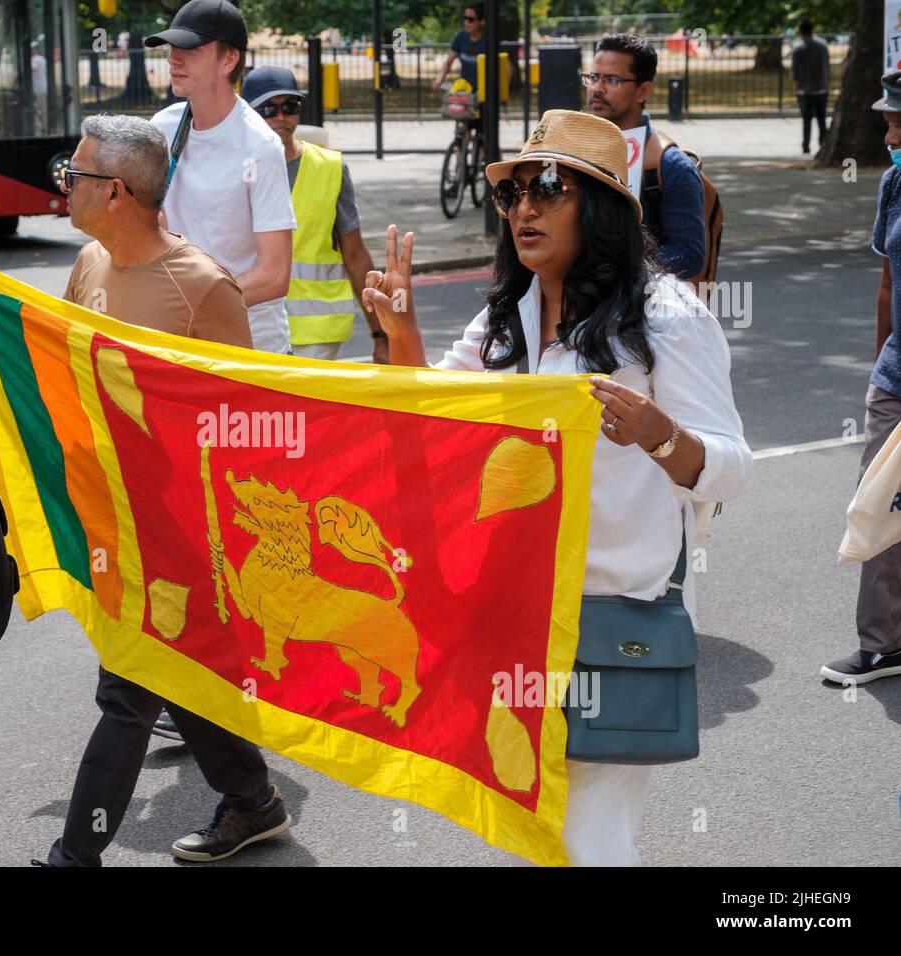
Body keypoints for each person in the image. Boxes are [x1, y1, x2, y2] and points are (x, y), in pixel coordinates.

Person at [362, 109, 752, 865]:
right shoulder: (507, 312)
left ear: (601, 209)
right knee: (534, 823)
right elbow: (436, 421)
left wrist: (659, 435)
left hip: (614, 611)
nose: (525, 210)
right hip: (514, 612)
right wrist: (400, 334)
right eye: (513, 196)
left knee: (590, 837)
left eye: (548, 189)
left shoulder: (665, 315)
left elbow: (733, 466)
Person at [0, 114, 293, 865]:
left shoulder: (201, 288)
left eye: (77, 174)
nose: (65, 184)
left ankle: (74, 858)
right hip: (111, 518)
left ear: (117, 191)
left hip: (180, 532)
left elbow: (245, 427)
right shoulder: (91, 262)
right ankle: (252, 800)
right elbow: (53, 360)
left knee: (126, 692)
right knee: (174, 672)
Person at [145, 0, 296, 354]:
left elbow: (274, 276)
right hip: (182, 349)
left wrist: (191, 307)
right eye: (172, 48)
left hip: (251, 354)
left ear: (229, 60)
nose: (173, 59)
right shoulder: (160, 129)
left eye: (191, 49)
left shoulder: (260, 146)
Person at [820, 72, 901, 686]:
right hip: (896, 381)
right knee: (880, 508)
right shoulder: (894, 183)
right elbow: (886, 284)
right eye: (888, 120)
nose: (890, 133)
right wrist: (881, 372)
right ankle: (884, 643)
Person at [241, 66, 387, 363]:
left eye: (290, 107)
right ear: (248, 112)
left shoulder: (330, 168)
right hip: (251, 326)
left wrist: (381, 334)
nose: (281, 117)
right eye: (269, 108)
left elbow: (356, 255)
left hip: (318, 331)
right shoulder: (234, 167)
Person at [585, 33, 706, 281]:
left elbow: (689, 255)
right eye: (594, 77)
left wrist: (615, 265)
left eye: (612, 80)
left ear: (643, 91)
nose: (597, 88)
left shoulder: (670, 166)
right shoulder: (575, 152)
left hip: (642, 313)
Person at [791, 19, 830, 155]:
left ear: (800, 31)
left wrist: (796, 85)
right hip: (821, 88)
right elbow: (826, 66)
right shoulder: (822, 45)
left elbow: (795, 71)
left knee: (806, 120)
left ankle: (805, 146)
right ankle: (823, 143)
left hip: (805, 90)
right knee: (821, 119)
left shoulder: (798, 48)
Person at [434, 3, 486, 93]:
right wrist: (439, 79)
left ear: (482, 21)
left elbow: (507, 68)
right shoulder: (461, 36)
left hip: (485, 92)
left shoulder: (490, 40)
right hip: (465, 90)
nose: (466, 22)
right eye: (465, 18)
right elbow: (448, 62)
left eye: (471, 19)